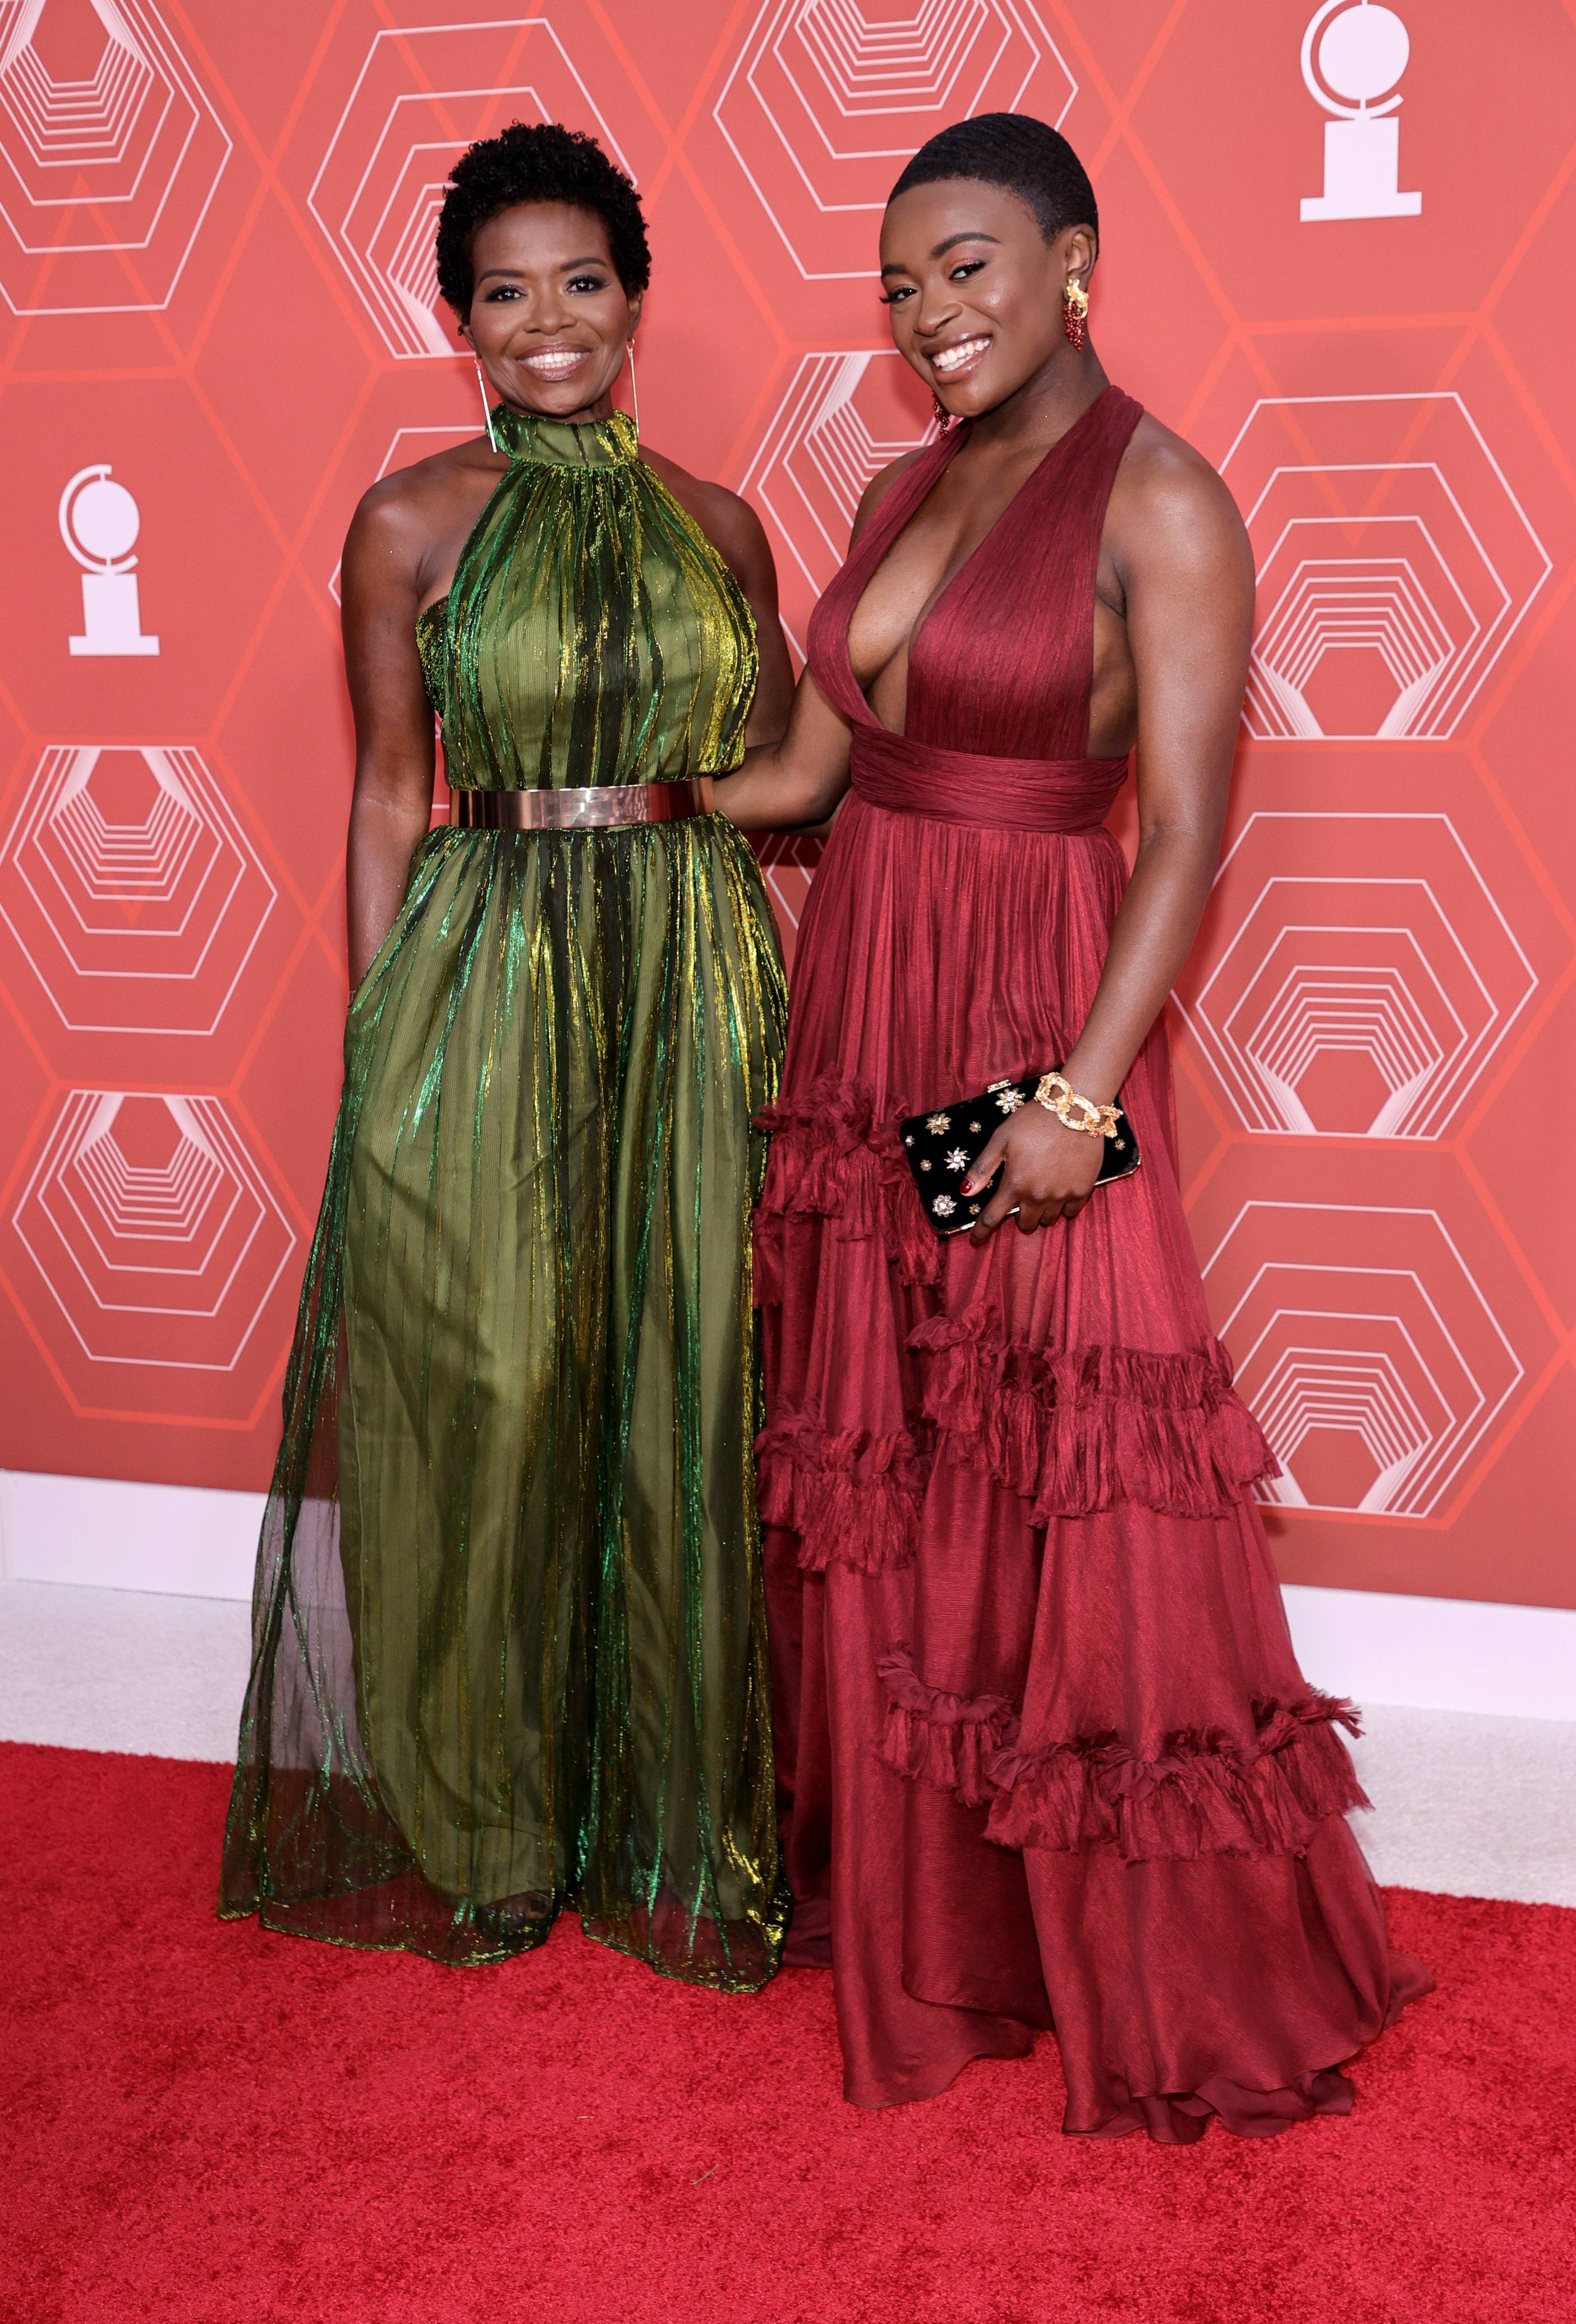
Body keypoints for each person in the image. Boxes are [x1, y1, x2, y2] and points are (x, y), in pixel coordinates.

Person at [713, 113, 1430, 2135]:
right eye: (901, 282)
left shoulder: (1164, 499)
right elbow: (816, 771)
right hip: (869, 998)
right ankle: (939, 1929)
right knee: (903, 1446)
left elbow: (1188, 837)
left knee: (1073, 1443)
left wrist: (1076, 1099)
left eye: (968, 266)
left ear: (1072, 261)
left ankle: (1148, 1963)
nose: (932, 310)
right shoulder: (895, 480)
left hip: (1035, 1011)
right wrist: (592, 821)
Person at [221, 123, 794, 1991]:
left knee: (687, 1385)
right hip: (480, 968)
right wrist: (384, 1031)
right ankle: (484, 1825)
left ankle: (672, 1813)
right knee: (486, 1390)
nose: (548, 325)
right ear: (454, 315)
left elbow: (785, 774)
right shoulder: (407, 519)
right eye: (504, 293)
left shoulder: (724, 525)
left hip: (695, 977)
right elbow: (392, 789)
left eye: (582, 283)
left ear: (636, 294)